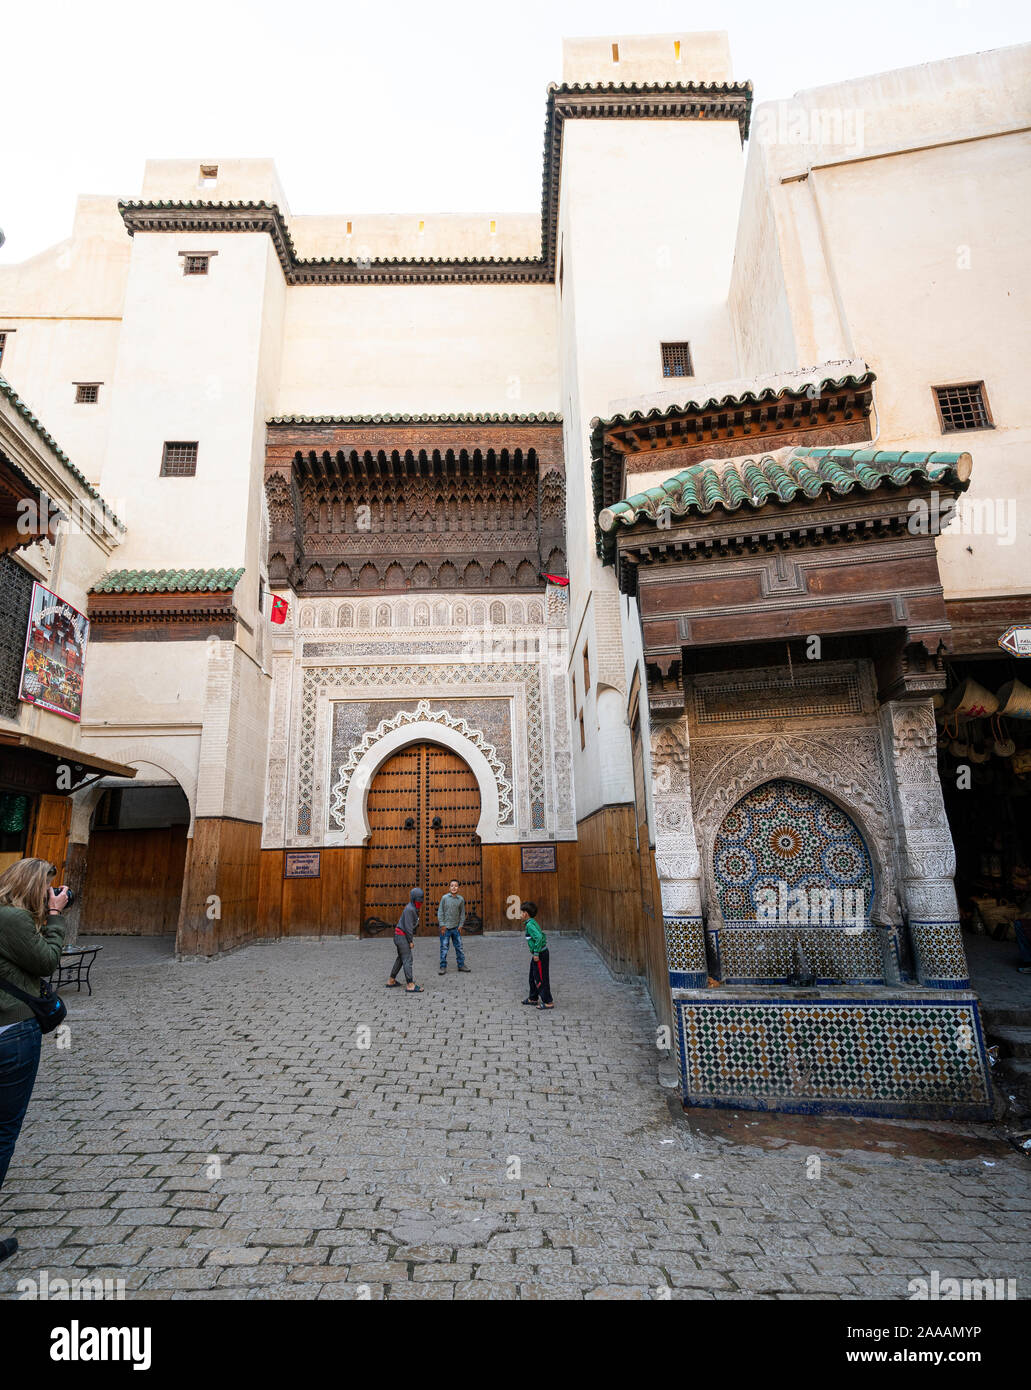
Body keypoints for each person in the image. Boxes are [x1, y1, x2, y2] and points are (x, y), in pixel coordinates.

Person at [0, 859, 69, 1264]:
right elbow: (45, 961)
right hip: (12, 1034)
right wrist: (56, 918)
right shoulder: (13, 920)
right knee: (4, 1131)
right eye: (47, 887)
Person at [387, 887, 424, 993]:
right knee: (408, 959)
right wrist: (410, 941)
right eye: (418, 899)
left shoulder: (413, 907)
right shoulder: (410, 909)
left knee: (401, 958)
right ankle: (410, 984)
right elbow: (408, 927)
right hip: (402, 936)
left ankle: (391, 980)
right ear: (413, 898)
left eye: (421, 898)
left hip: (400, 936)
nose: (420, 901)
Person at [520, 900, 553, 1010]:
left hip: (540, 954)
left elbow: (538, 937)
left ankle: (548, 1001)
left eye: (521, 912)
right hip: (539, 953)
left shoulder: (530, 925)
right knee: (532, 976)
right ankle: (533, 998)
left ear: (526, 914)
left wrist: (536, 953)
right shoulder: (531, 922)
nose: (520, 915)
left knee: (541, 978)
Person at [438, 879, 470, 975]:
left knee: (459, 947)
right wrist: (442, 925)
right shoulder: (444, 898)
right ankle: (443, 966)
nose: (454, 887)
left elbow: (462, 914)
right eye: (452, 885)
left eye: (456, 886)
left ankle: (461, 965)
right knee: (444, 948)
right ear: (449, 888)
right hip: (445, 929)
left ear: (458, 888)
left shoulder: (460, 899)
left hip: (456, 928)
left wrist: (460, 925)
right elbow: (440, 912)